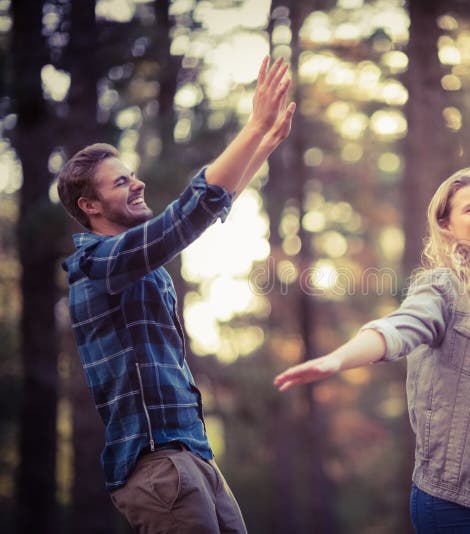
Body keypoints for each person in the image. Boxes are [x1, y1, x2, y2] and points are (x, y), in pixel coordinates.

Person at [275, 120, 470, 533]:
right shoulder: (441, 288)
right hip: (451, 504)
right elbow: (400, 328)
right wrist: (338, 360)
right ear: (447, 225)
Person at [58, 54, 295, 533]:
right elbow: (184, 218)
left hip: (191, 454)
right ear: (90, 205)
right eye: (121, 182)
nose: (138, 183)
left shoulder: (132, 263)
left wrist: (264, 145)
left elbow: (204, 213)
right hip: (156, 463)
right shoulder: (98, 266)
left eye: (133, 174)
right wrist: (252, 129)